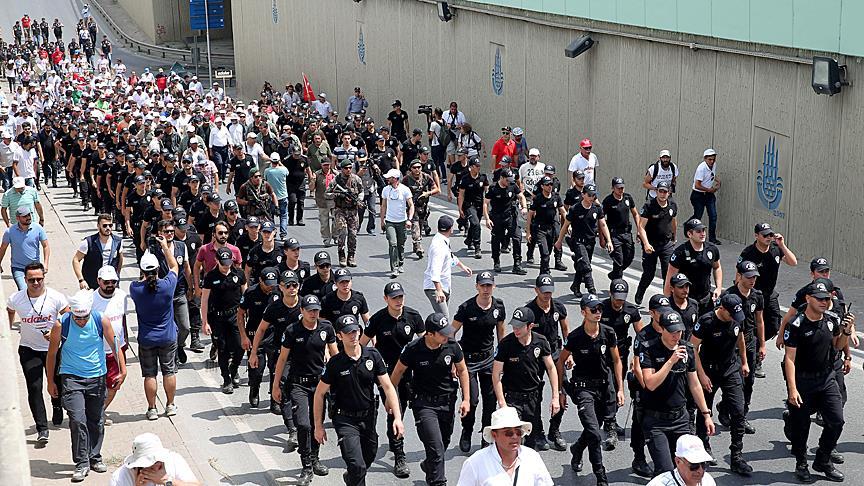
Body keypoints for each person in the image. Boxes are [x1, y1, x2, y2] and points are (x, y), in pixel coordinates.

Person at [314, 314, 405, 486]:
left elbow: (388, 386)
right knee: (357, 465)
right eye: (348, 332)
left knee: (368, 457)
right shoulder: (335, 364)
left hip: (368, 417)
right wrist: (318, 426)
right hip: (345, 419)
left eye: (355, 331)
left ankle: (351, 478)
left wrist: (398, 418)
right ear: (339, 336)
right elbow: (319, 394)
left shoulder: (372, 355)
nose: (353, 335)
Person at [46, 290, 125, 483]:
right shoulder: (61, 324)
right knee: (77, 419)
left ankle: (94, 456)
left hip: (97, 376)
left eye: (84, 317)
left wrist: (122, 370)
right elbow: (52, 354)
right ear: (72, 312)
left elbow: (115, 344)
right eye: (77, 317)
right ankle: (81, 462)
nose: (81, 321)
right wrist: (50, 381)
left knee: (96, 419)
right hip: (71, 377)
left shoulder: (100, 320)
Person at [782, 279, 852, 482]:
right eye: (820, 299)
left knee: (836, 421)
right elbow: (789, 359)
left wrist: (846, 332)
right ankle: (801, 463)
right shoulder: (796, 325)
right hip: (803, 381)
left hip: (826, 378)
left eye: (827, 299)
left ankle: (823, 458)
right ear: (808, 298)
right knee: (801, 427)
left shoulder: (831, 320)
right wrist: (792, 389)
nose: (824, 302)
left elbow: (837, 345)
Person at [391, 313, 471, 486]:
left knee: (443, 443)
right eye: (442, 333)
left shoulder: (452, 346)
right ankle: (438, 482)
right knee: (435, 447)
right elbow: (397, 372)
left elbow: (463, 370)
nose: (447, 335)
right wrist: (391, 399)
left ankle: (429, 465)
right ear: (430, 333)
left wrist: (466, 399)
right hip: (424, 404)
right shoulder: (413, 349)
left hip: (447, 402)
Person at [638, 310, 716, 476]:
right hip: (656, 421)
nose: (676, 336)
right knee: (666, 470)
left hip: (680, 419)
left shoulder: (687, 349)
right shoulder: (649, 348)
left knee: (686, 468)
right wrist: (671, 361)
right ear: (662, 329)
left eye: (679, 331)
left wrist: (706, 414)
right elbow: (650, 383)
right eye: (672, 331)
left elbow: (694, 384)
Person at [557, 294, 623, 485]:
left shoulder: (608, 333)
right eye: (593, 310)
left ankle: (577, 448)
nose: (597, 313)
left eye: (599, 309)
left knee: (593, 427)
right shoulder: (575, 337)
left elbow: (616, 360)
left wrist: (620, 389)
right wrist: (561, 390)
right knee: (594, 433)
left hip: (604, 387)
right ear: (583, 312)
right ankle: (600, 476)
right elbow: (560, 361)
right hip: (584, 388)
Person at [271, 294, 337, 485]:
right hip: (298, 384)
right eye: (309, 310)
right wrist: (276, 385)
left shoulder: (326, 328)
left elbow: (335, 355)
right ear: (302, 311)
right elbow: (282, 359)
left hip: (319, 385)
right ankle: (306, 466)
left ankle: (315, 458)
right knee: (303, 425)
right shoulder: (293, 330)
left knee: (317, 424)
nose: (313, 314)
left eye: (316, 310)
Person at [361, 281, 424, 477]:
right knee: (393, 410)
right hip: (386, 374)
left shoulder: (413, 316)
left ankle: (392, 434)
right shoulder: (378, 319)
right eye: (394, 297)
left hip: (407, 371)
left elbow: (425, 342)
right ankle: (399, 456)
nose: (398, 301)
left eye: (400, 297)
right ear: (386, 299)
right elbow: (362, 345)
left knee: (402, 407)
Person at [690, 293, 753, 475]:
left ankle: (736, 456)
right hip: (709, 370)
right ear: (722, 309)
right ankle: (703, 447)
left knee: (738, 411)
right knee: (705, 411)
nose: (734, 318)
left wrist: (744, 362)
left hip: (730, 368)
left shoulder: (737, 317)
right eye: (731, 314)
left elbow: (740, 338)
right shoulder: (707, 321)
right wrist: (701, 375)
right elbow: (693, 347)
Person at [6, 262, 68, 444]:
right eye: (31, 280)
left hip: (53, 349)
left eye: (39, 279)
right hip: (29, 349)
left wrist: (57, 333)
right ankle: (42, 428)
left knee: (57, 383)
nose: (35, 283)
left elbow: (68, 316)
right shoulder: (16, 298)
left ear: (44, 278)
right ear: (25, 280)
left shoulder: (56, 297)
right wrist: (7, 330)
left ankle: (57, 406)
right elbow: (9, 311)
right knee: (34, 387)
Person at [491, 307, 560, 451]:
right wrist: (502, 404)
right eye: (514, 326)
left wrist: (555, 397)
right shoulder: (506, 344)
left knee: (530, 442)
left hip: (533, 398)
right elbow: (496, 374)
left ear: (530, 326)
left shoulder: (540, 342)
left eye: (519, 326)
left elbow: (551, 368)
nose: (515, 329)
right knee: (512, 438)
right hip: (512, 399)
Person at [452, 271, 506, 452]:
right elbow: (451, 333)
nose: (486, 289)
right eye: (482, 285)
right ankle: (467, 430)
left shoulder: (498, 306)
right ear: (476, 287)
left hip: (489, 359)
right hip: (468, 361)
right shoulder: (466, 308)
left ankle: (486, 435)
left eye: (489, 285)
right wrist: (454, 360)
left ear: (494, 286)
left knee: (490, 401)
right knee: (472, 400)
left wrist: (502, 359)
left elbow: (501, 333)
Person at [129, 245, 179, 421]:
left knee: (150, 374)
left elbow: (139, 282)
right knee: (169, 371)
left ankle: (152, 408)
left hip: (147, 338)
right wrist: (165, 247)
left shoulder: (135, 289)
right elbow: (174, 266)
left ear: (142, 271)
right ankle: (170, 405)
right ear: (158, 269)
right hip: (167, 336)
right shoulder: (167, 286)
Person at [739, 222, 797, 371]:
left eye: (770, 234)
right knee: (752, 326)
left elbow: (793, 262)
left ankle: (756, 346)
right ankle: (754, 358)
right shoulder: (748, 253)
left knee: (774, 325)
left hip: (769, 294)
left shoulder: (775, 249)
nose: (768, 238)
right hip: (753, 294)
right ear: (756, 236)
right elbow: (739, 275)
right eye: (765, 235)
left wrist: (782, 245)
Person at [456, 406, 554, 486]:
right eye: (508, 433)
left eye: (518, 432)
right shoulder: (475, 463)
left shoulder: (532, 457)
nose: (515, 436)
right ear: (495, 435)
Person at [599, 279, 643, 446]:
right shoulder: (601, 308)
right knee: (610, 389)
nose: (619, 302)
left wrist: (637, 357)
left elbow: (642, 335)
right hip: (603, 355)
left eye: (622, 298)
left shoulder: (631, 310)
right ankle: (609, 423)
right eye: (616, 298)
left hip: (621, 355)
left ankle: (610, 418)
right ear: (610, 294)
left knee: (618, 387)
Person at [201, 247, 248, 394]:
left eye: (228, 263)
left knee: (240, 346)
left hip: (236, 317)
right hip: (218, 318)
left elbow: (246, 295)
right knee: (223, 349)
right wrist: (205, 322)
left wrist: (248, 314)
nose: (226, 266)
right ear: (217, 260)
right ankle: (226, 379)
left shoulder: (239, 274)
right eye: (223, 264)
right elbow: (204, 300)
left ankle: (234, 368)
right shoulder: (211, 276)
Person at [555, 183, 613, 297]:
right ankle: (592, 289)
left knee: (583, 265)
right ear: (583, 195)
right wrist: (559, 241)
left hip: (590, 241)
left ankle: (575, 286)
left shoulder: (597, 209)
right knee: (586, 266)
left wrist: (609, 240)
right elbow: (565, 225)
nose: (592, 197)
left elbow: (603, 225)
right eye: (589, 195)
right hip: (578, 241)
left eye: (594, 195)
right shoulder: (575, 209)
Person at [91, 266, 130, 421]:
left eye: (113, 281)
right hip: (96, 351)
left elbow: (123, 319)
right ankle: (93, 413)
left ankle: (99, 412)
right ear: (98, 281)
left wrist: (125, 342)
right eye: (106, 282)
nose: (110, 285)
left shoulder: (122, 296)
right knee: (96, 386)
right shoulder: (91, 299)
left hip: (117, 349)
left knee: (115, 383)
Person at [665, 218, 722, 316]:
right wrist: (667, 305)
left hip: (706, 299)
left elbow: (717, 267)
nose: (702, 234)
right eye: (698, 231)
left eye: (703, 230)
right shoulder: (680, 253)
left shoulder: (712, 249)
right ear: (689, 234)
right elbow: (669, 280)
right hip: (686, 300)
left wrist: (719, 287)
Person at [635, 181, 677, 305]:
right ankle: (640, 292)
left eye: (665, 191)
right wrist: (646, 244)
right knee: (649, 273)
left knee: (668, 274)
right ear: (656, 192)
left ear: (669, 193)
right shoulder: (649, 205)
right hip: (651, 244)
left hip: (666, 244)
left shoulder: (672, 205)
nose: (663, 194)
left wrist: (674, 237)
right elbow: (641, 227)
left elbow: (673, 221)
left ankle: (667, 301)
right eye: (660, 191)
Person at [423, 215, 473, 318]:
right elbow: (435, 270)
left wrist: (462, 266)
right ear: (450, 229)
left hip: (444, 286)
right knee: (444, 319)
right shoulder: (438, 246)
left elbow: (449, 257)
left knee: (441, 319)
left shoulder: (442, 240)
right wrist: (438, 290)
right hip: (435, 287)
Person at [109, 432, 200, 486]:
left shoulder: (174, 460)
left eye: (159, 461)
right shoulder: (119, 477)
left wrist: (168, 481)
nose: (157, 467)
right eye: (150, 465)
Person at [484, 166, 527, 274]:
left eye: (510, 180)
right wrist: (487, 219)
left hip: (510, 216)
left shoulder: (512, 185)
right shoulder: (493, 188)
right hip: (497, 217)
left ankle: (517, 264)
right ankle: (496, 261)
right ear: (502, 178)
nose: (509, 182)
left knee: (517, 238)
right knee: (496, 240)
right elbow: (485, 203)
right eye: (507, 180)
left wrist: (524, 207)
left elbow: (521, 196)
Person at [1, 205, 50, 290]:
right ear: (18, 218)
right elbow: (3, 248)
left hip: (35, 267)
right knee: (23, 289)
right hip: (18, 268)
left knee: (36, 290)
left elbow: (46, 246)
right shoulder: (10, 232)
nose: (28, 218)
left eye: (29, 215)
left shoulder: (38, 228)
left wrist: (46, 264)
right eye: (25, 216)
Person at [73, 214, 124, 291]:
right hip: (91, 283)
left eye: (110, 225)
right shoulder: (88, 242)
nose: (108, 228)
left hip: (110, 284)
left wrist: (117, 274)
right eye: (104, 226)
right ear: (98, 226)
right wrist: (81, 280)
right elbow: (76, 260)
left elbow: (120, 258)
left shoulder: (117, 241)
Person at [602, 177, 639, 280]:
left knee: (629, 257)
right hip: (614, 234)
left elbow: (635, 214)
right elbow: (601, 220)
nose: (620, 190)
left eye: (622, 187)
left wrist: (639, 230)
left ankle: (614, 274)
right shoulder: (608, 201)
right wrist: (603, 238)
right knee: (618, 260)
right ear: (613, 188)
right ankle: (617, 283)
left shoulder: (628, 198)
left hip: (626, 233)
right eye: (618, 188)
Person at [329, 159, 364, 267]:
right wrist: (339, 195)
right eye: (346, 168)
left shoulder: (356, 179)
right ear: (342, 169)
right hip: (340, 210)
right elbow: (327, 193)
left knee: (353, 234)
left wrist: (359, 200)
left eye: (350, 168)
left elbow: (361, 191)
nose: (348, 170)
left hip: (353, 211)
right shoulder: (336, 180)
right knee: (342, 232)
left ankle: (351, 256)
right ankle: (342, 255)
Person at [380, 168, 414, 277]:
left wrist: (409, 219)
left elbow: (411, 205)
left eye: (389, 178)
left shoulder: (405, 189)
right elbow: (383, 206)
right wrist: (382, 220)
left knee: (400, 244)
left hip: (402, 221)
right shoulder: (385, 190)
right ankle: (394, 268)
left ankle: (400, 262)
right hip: (390, 221)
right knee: (393, 244)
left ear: (395, 179)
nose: (387, 180)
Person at [646, 434, 717, 486]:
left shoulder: (708, 481)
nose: (700, 471)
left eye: (704, 464)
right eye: (694, 465)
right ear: (678, 462)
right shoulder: (659, 484)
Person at [458, 157, 488, 259]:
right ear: (471, 167)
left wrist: (486, 207)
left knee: (475, 224)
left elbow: (487, 193)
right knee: (476, 224)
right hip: (469, 205)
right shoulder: (465, 179)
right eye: (477, 166)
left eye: (479, 165)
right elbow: (461, 194)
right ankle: (477, 247)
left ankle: (469, 239)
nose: (479, 167)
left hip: (479, 205)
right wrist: (460, 208)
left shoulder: (483, 177)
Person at [690, 148, 721, 245]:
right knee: (698, 216)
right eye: (710, 159)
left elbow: (712, 174)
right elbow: (697, 185)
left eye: (713, 159)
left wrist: (717, 180)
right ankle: (689, 227)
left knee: (713, 216)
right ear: (705, 159)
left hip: (708, 195)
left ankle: (712, 238)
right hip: (698, 194)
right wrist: (709, 190)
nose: (712, 161)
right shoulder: (701, 168)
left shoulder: (713, 165)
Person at [264, 152, 291, 239]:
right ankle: (283, 234)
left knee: (270, 216)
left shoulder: (267, 171)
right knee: (283, 216)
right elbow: (287, 172)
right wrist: (280, 163)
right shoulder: (283, 170)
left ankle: (273, 232)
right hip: (282, 196)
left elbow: (265, 179)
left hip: (271, 197)